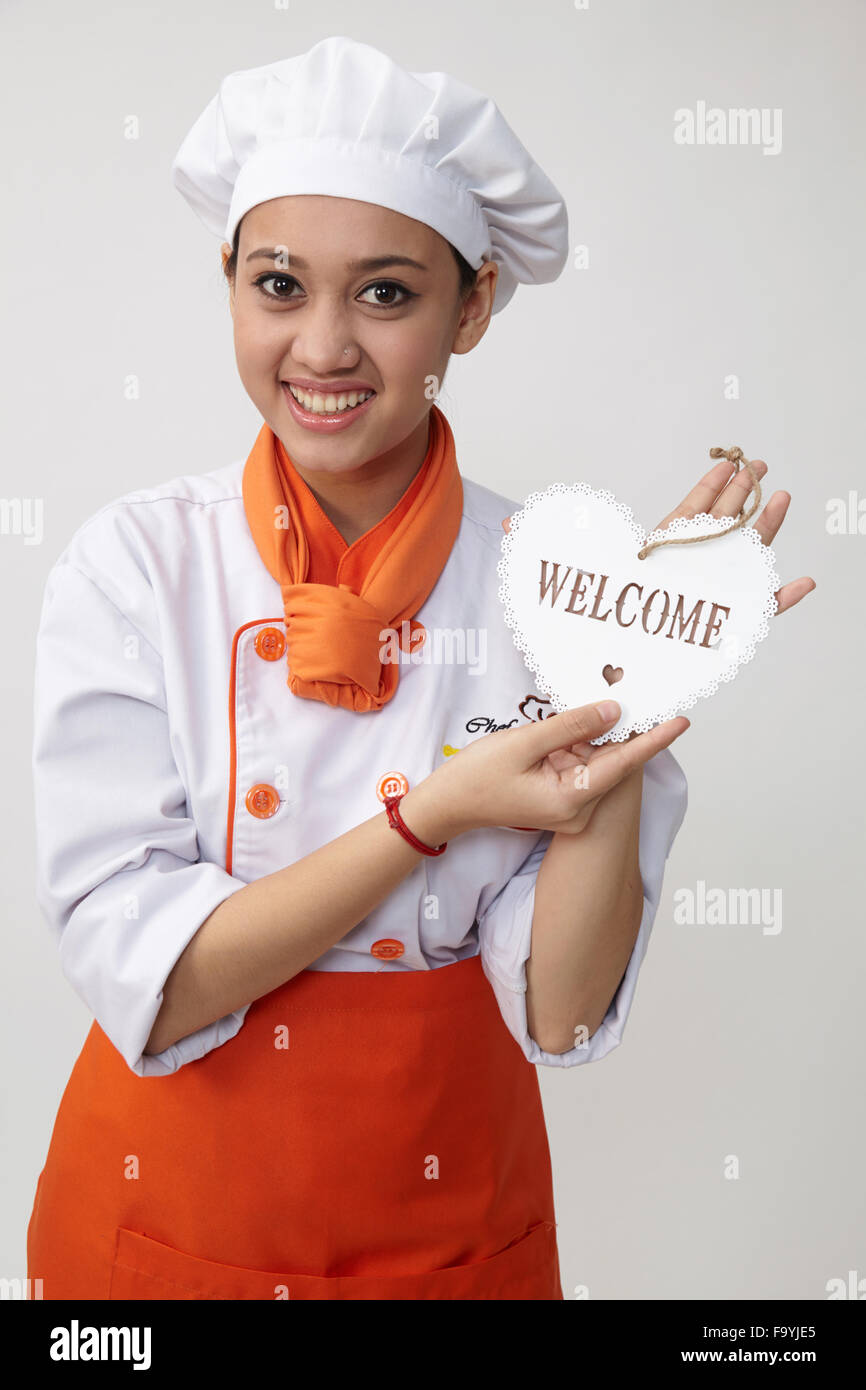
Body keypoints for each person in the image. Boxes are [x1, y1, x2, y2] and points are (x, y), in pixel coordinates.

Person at [25, 35, 812, 1301]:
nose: (324, 347)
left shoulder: (549, 587)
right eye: (278, 285)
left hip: (453, 1244)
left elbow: (557, 1013)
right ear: (226, 282)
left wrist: (633, 699)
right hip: (163, 1235)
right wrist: (431, 817)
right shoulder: (135, 570)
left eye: (385, 294)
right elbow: (154, 988)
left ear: (473, 306)